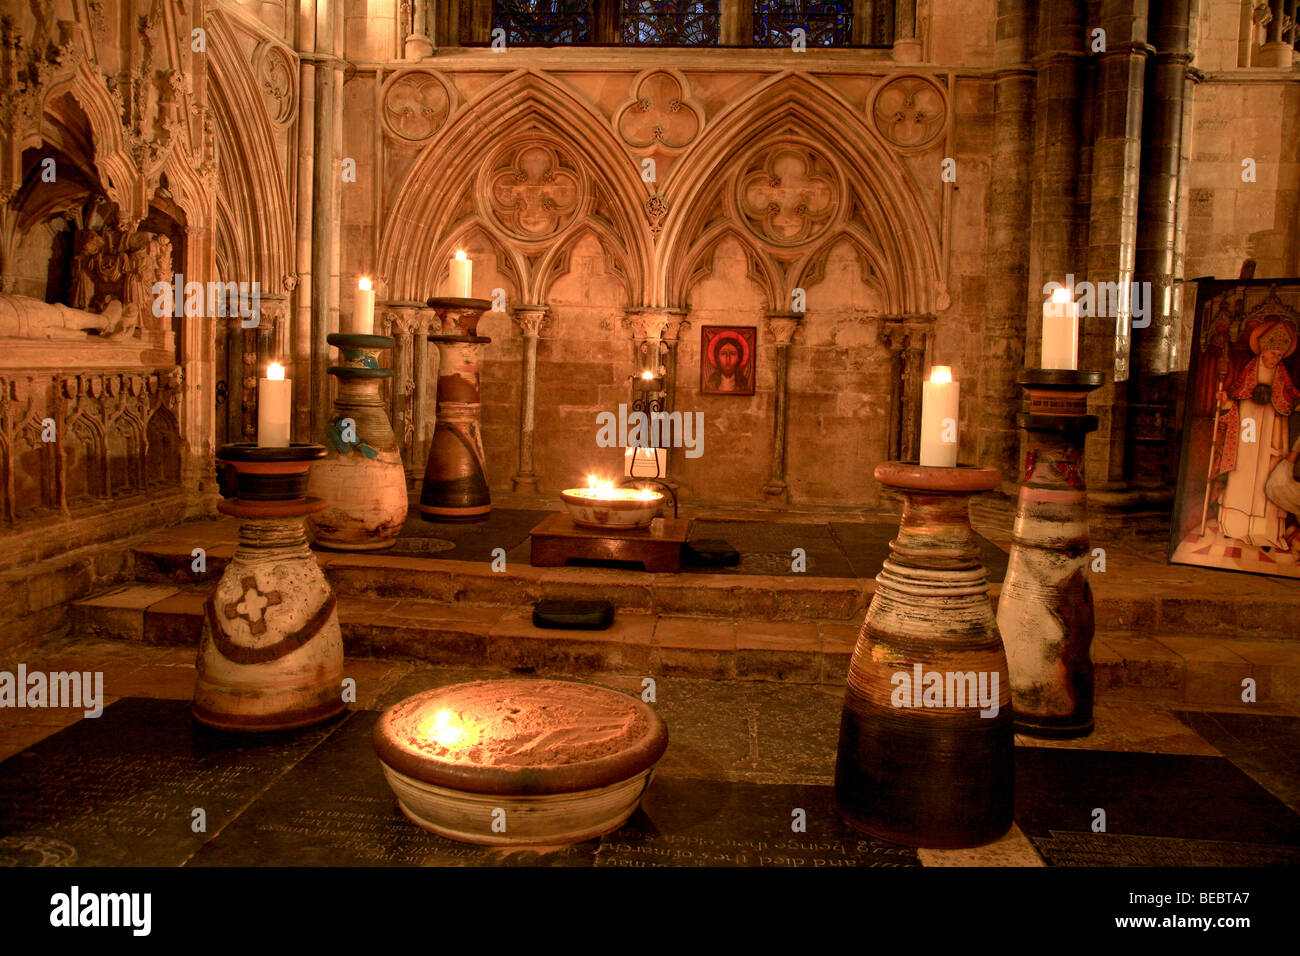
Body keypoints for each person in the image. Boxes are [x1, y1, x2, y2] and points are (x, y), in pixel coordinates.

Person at [1213, 319, 1300, 550]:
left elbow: (1287, 406)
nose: (1277, 358)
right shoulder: (1249, 375)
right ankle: (1235, 528)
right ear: (1262, 351)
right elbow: (1236, 405)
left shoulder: (1282, 380)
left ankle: (1266, 535)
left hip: (1270, 441)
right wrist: (1226, 401)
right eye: (1273, 353)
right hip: (1246, 440)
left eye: (1280, 355)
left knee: (1264, 485)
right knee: (1242, 481)